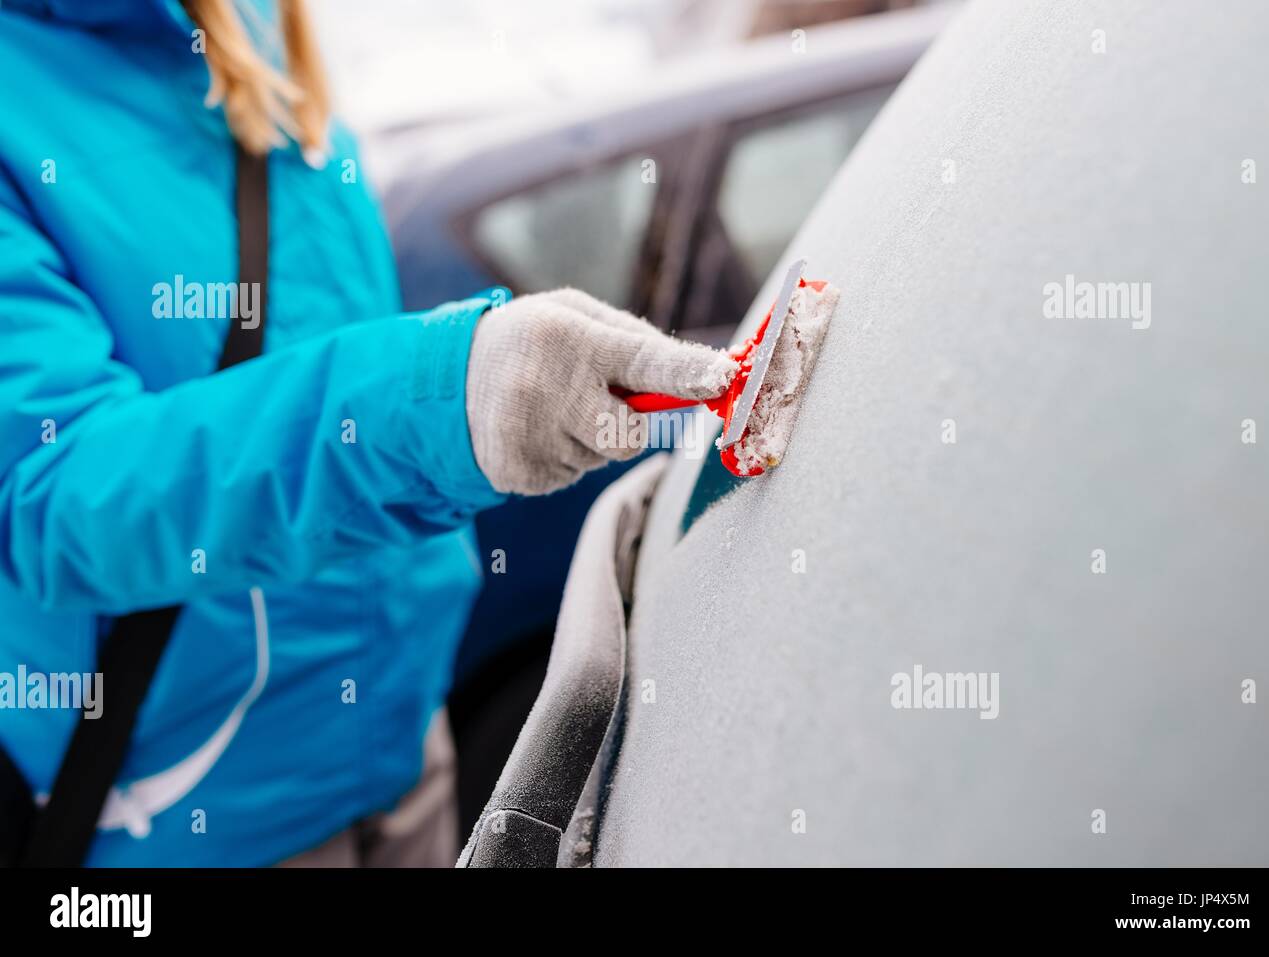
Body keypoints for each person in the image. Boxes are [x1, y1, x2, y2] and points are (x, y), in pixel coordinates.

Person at [0, 0, 735, 866]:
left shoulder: (254, 25)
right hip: (201, 817)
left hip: (400, 735)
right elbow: (54, 489)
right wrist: (443, 398)